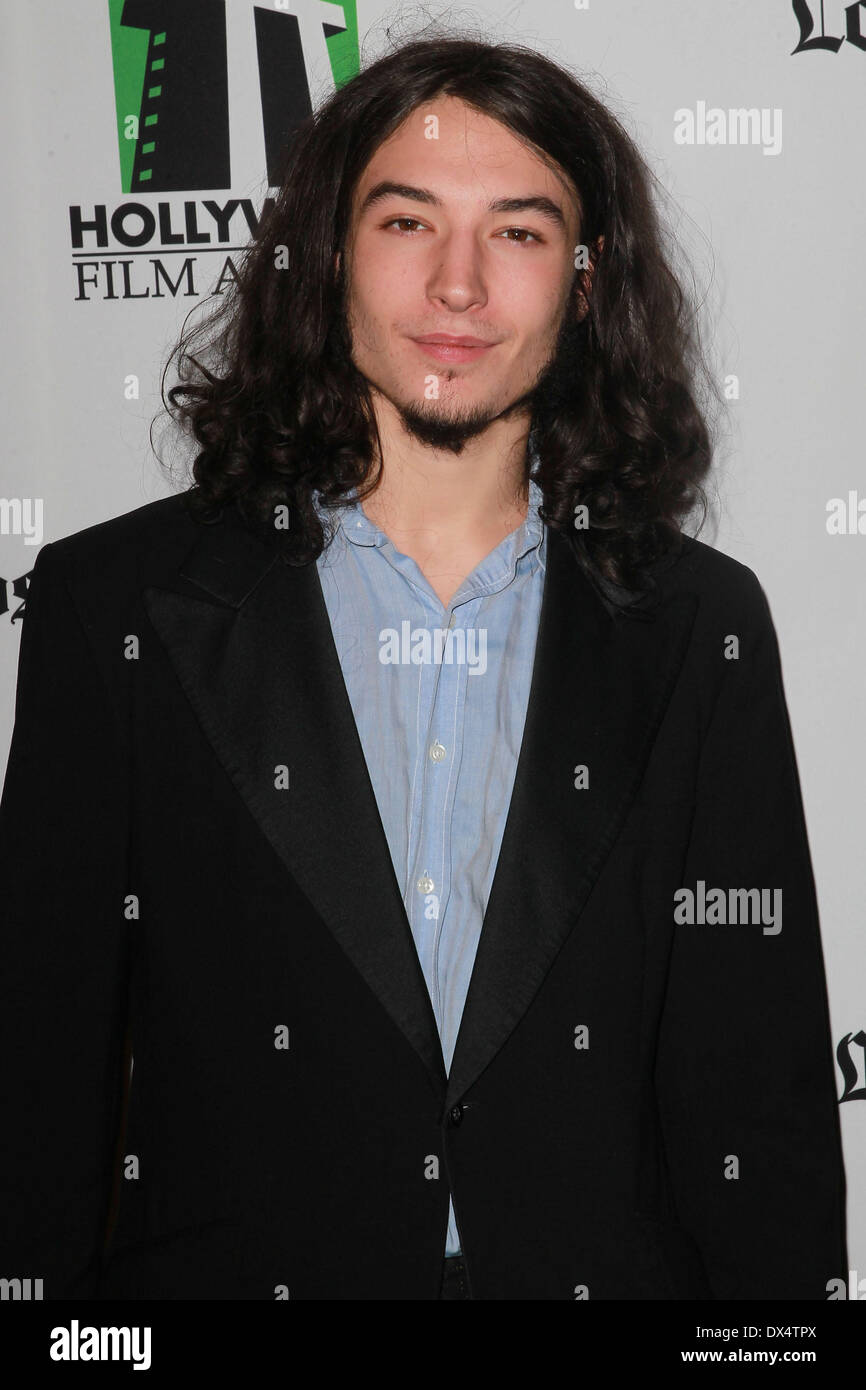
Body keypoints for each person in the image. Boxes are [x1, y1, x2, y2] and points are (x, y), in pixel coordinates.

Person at [0, 35, 846, 1300]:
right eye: (407, 222)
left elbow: (754, 1097)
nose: (457, 287)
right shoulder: (115, 607)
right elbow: (38, 1079)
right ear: (330, 251)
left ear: (585, 275)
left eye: (516, 232)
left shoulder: (696, 630)